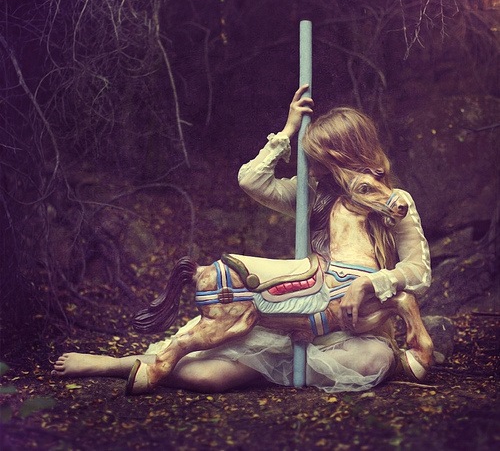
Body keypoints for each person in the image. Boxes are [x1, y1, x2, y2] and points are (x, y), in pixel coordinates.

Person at [52, 85, 431, 393]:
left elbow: (418, 272)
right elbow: (252, 180)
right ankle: (119, 365)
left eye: (319, 160)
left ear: (342, 157)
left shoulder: (395, 203)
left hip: (355, 332)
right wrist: (286, 133)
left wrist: (371, 282)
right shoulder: (311, 195)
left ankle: (268, 369)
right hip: (297, 312)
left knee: (372, 361)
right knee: (206, 372)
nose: (312, 168)